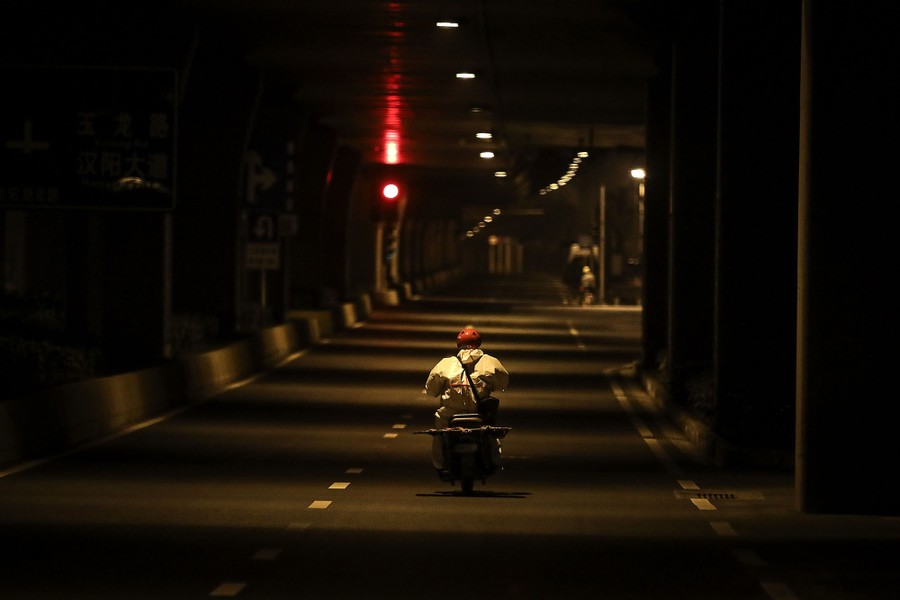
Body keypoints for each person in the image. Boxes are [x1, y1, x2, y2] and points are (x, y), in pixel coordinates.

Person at [424, 327, 509, 472]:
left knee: (440, 434)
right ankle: (494, 461)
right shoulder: (491, 362)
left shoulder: (445, 364)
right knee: (489, 433)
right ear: (479, 343)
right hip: (479, 414)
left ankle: (441, 464)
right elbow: (502, 383)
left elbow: (431, 390)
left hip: (450, 415)